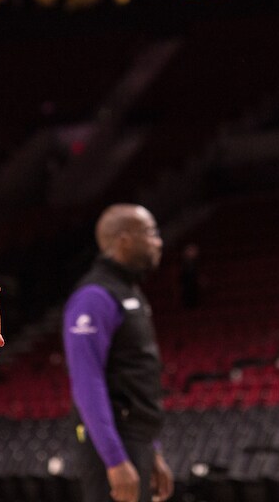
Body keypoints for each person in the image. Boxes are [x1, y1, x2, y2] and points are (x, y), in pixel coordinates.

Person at [62, 204, 174, 502]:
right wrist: (114, 459)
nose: (158, 242)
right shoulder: (94, 297)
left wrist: (153, 451)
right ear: (124, 239)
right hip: (112, 445)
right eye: (151, 233)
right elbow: (87, 383)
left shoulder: (130, 293)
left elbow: (135, 380)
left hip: (137, 440)